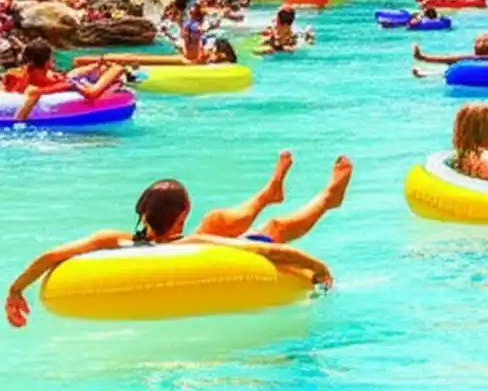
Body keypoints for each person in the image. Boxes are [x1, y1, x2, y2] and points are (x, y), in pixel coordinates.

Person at [5, 152, 351, 328]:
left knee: (218, 220)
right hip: (219, 252)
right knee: (274, 226)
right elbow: (262, 249)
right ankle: (327, 198)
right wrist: (316, 265)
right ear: (184, 213)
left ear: (142, 212)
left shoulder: (111, 239)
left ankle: (269, 193)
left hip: (171, 245)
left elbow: (51, 256)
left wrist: (16, 291)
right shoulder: (193, 243)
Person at [3, 41, 129, 123]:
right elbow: (91, 94)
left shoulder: (16, 74)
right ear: (47, 62)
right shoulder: (39, 88)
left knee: (82, 70)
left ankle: (102, 66)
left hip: (67, 79)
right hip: (70, 84)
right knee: (95, 73)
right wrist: (115, 70)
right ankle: (116, 69)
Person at [412, 32, 488, 77]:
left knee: (448, 71)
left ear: (475, 48)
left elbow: (444, 59)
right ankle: (424, 73)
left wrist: (423, 57)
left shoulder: (469, 59)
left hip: (466, 77)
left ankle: (425, 73)